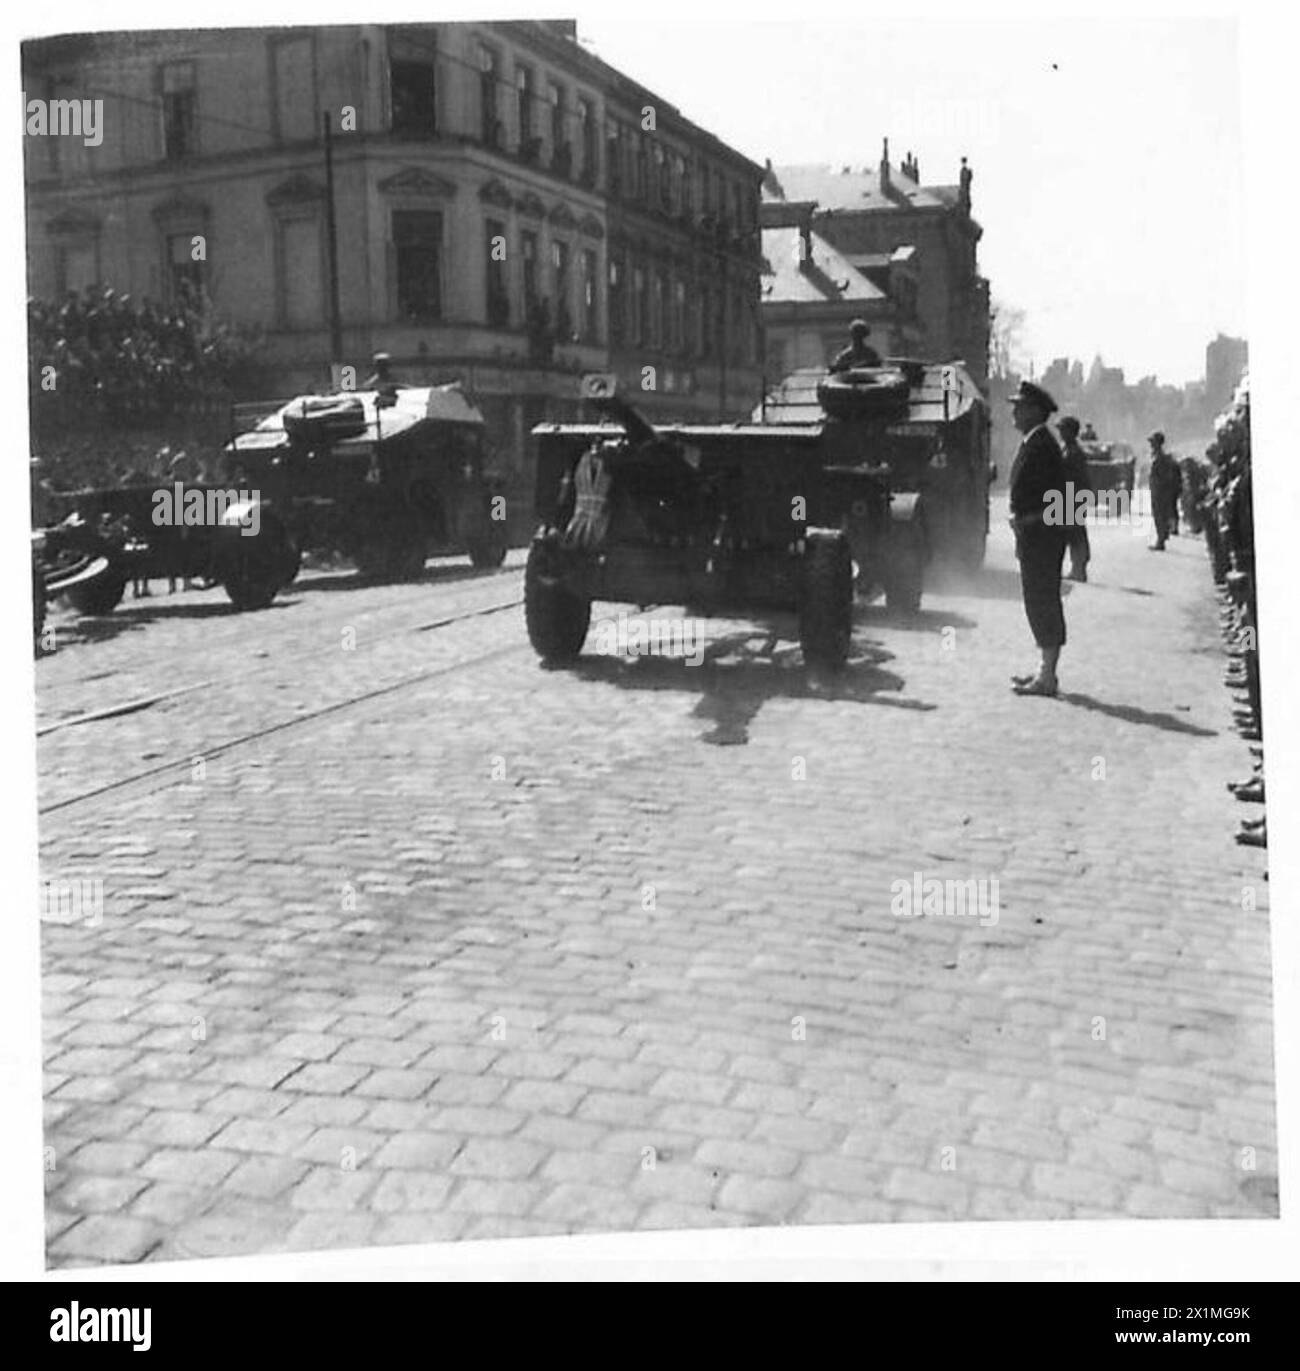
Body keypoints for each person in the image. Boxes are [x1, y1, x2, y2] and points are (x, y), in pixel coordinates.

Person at [1007, 380, 1068, 696]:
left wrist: (1028, 520)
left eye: (1019, 407)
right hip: (1034, 537)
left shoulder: (1044, 447)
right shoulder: (1035, 442)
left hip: (1042, 538)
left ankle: (1048, 674)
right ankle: (1044, 670)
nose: (1014, 413)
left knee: (1043, 599)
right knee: (1036, 599)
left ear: (1034, 411)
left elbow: (1060, 501)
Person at [1056, 415, 1092, 582]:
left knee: (1076, 533)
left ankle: (1080, 568)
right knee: (1069, 533)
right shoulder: (1066, 449)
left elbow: (1080, 478)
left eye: (1063, 430)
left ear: (1071, 432)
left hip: (1073, 497)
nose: (1060, 433)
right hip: (1065, 497)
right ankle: (1076, 568)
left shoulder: (1075, 452)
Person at [1148, 431, 1181, 550]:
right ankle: (1161, 538)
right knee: (1160, 515)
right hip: (1159, 490)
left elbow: (1162, 477)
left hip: (1160, 491)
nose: (1151, 445)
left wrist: (1160, 490)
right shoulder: (1159, 456)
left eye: (1153, 442)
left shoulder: (1161, 458)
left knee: (1160, 515)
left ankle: (1161, 540)